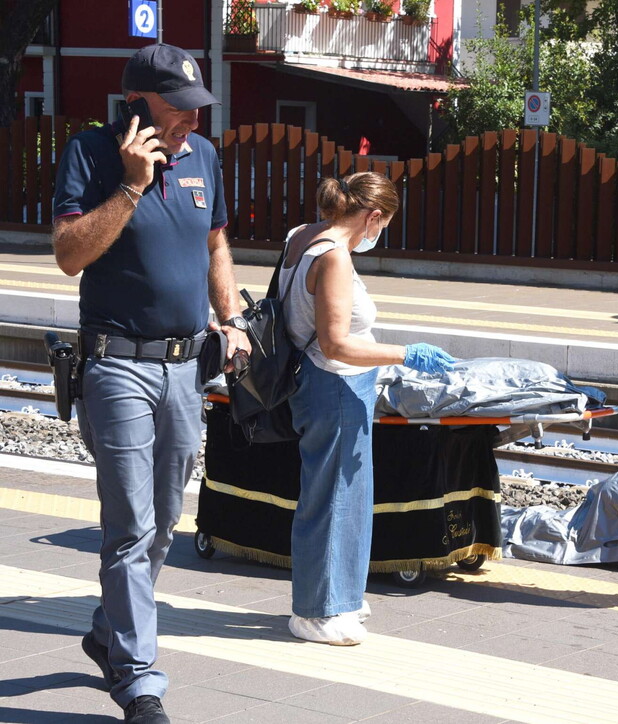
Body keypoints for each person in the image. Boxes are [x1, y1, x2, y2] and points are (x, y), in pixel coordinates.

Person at [52, 44, 250, 724]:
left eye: (198, 108)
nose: (192, 121)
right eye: (178, 109)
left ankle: (108, 632)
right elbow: (68, 256)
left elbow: (214, 243)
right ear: (136, 105)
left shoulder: (204, 157)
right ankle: (139, 681)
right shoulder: (90, 154)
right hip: (118, 367)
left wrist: (232, 319)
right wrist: (132, 185)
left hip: (186, 367)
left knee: (164, 522)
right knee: (130, 527)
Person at [283, 172, 455, 646]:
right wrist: (406, 354)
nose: (378, 236)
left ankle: (341, 596)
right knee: (333, 498)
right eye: (383, 226)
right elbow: (336, 344)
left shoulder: (302, 235)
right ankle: (316, 612)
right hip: (334, 384)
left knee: (349, 497)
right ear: (373, 217)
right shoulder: (335, 257)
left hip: (321, 383)